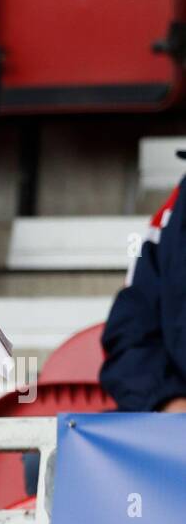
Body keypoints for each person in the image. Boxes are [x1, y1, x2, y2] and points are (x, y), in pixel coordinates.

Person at [101, 165, 186, 413]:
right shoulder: (175, 212)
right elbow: (130, 336)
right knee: (51, 450)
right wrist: (167, 401)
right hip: (174, 431)